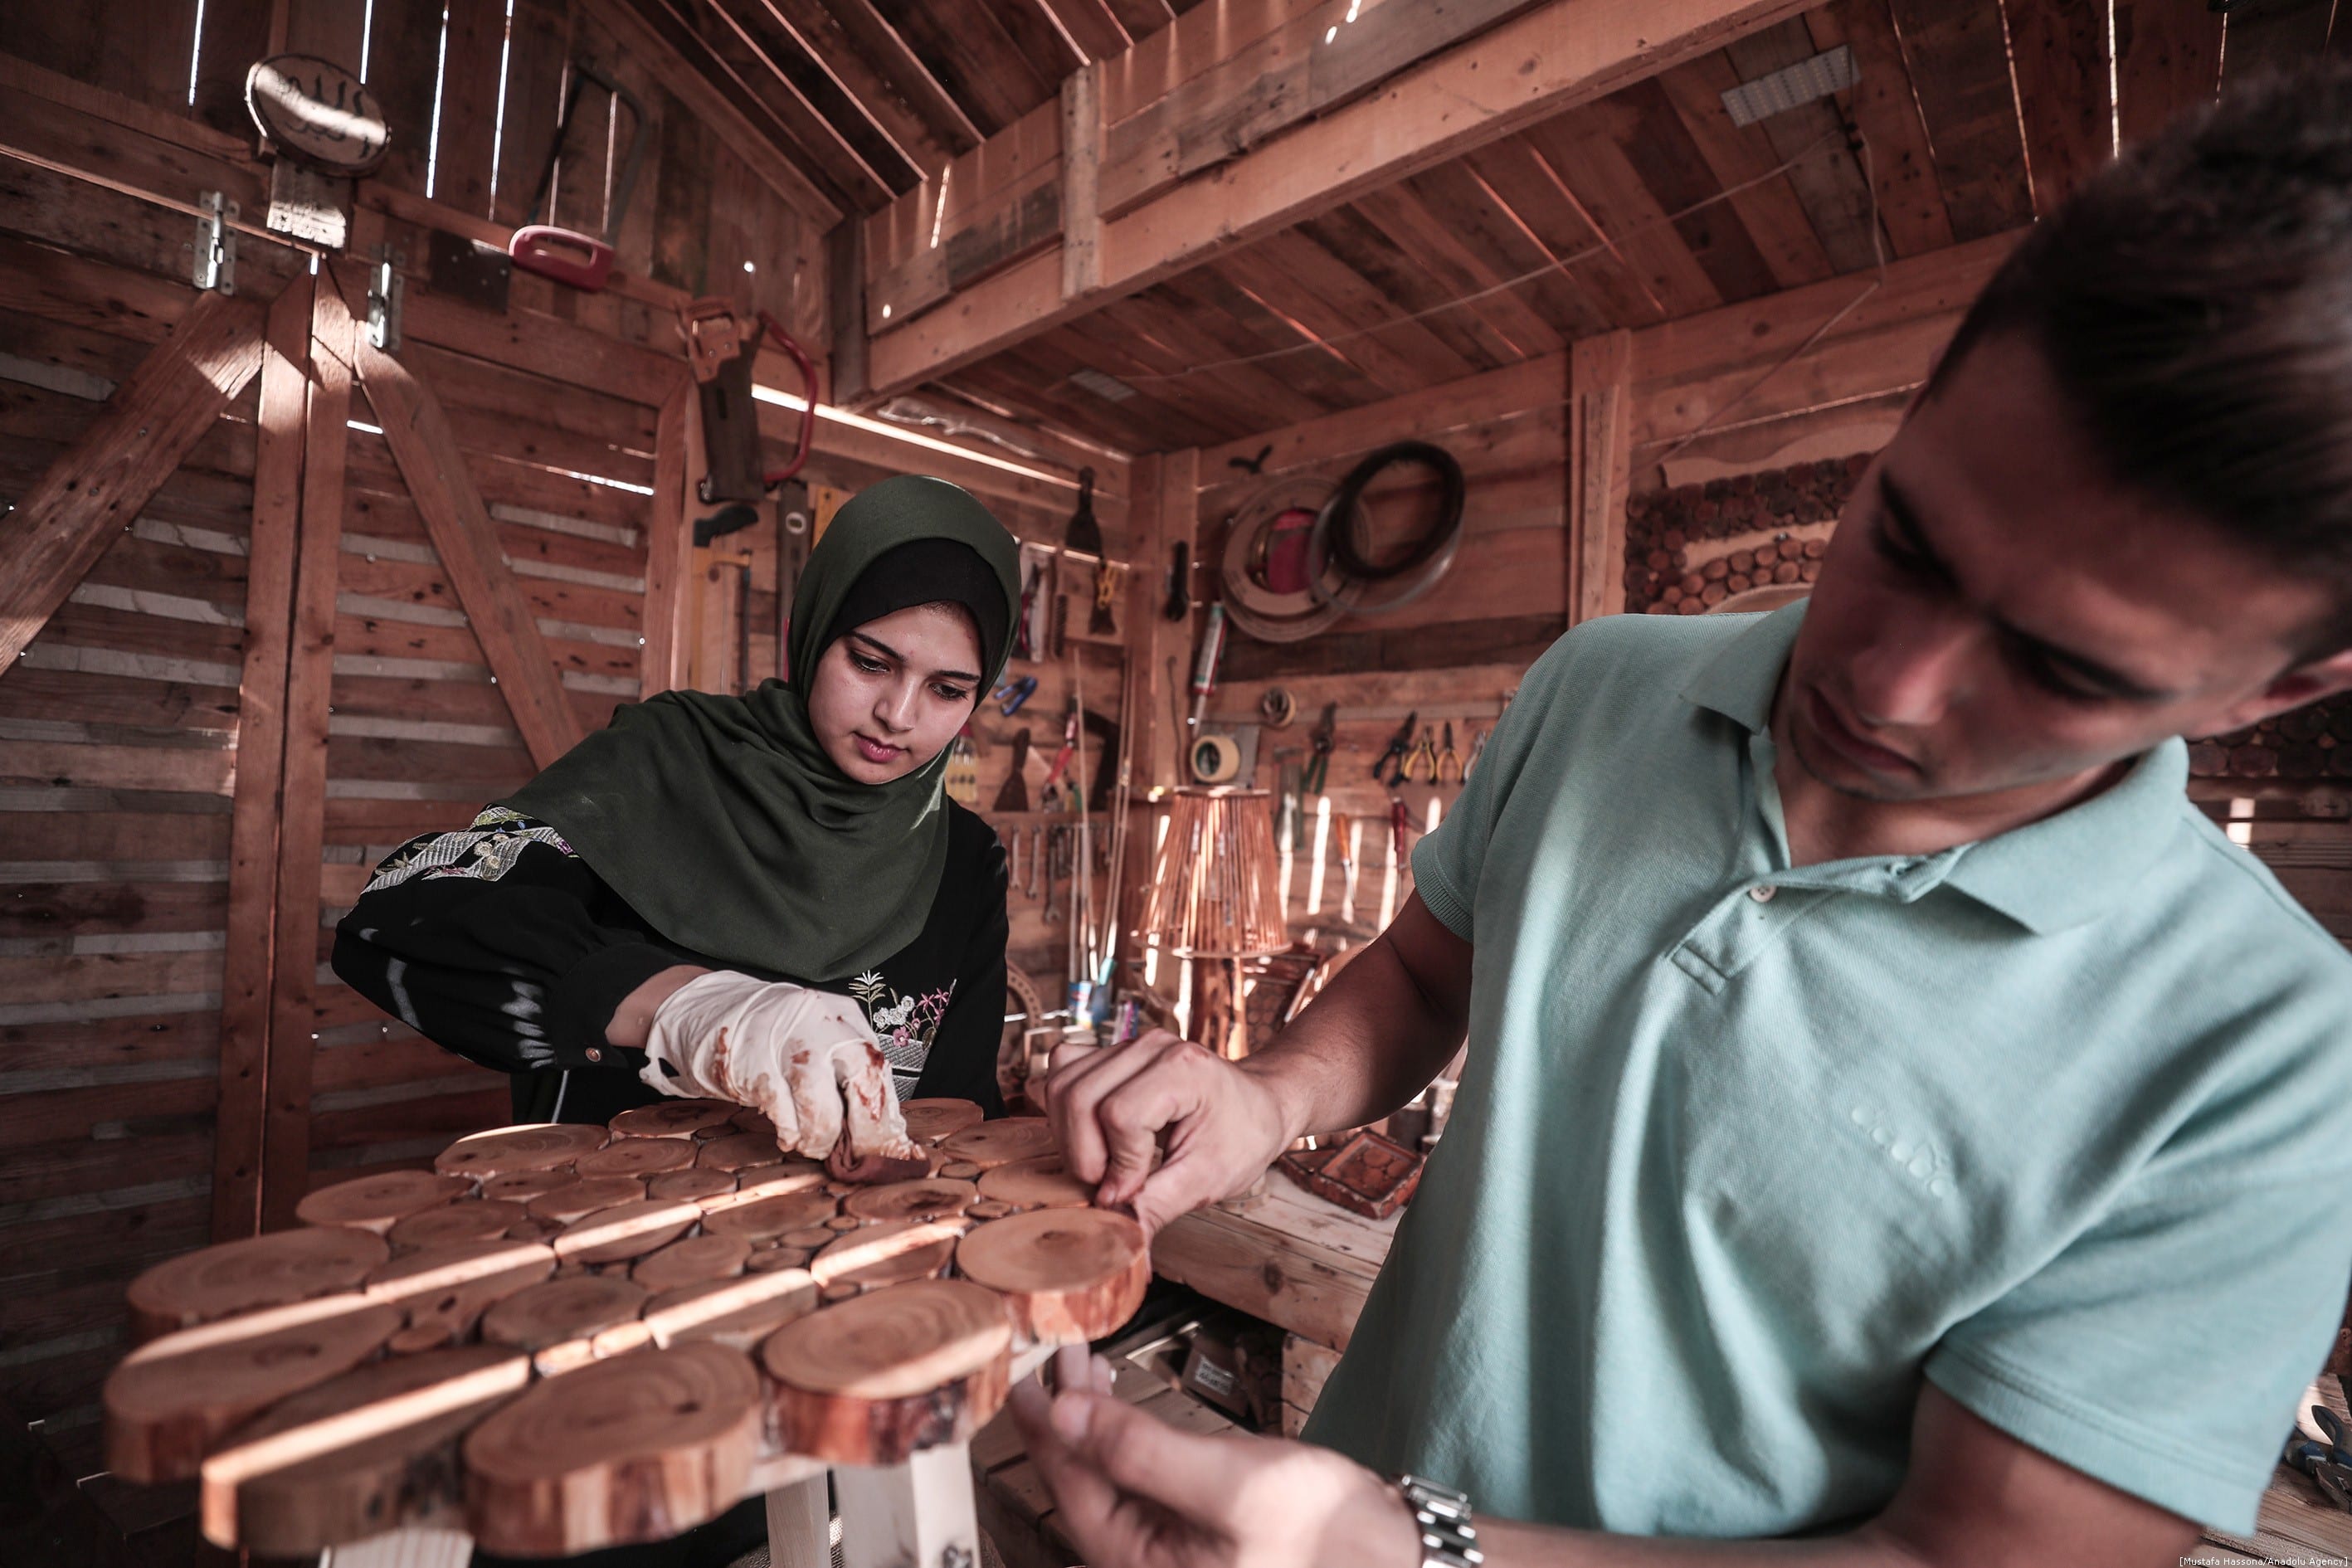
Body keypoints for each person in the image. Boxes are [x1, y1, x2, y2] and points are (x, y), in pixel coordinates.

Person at [1021, 65, 2352, 1568]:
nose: (1886, 684)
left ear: (2275, 687)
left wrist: (1403, 1552)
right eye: (1904, 538)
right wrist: (1269, 1098)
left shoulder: (2264, 1061)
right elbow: (1426, 972)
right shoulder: (1601, 684)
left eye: (2060, 668)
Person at [334, 473, 1022, 1171]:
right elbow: (404, 913)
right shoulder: (662, 760)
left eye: (947, 690)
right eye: (871, 663)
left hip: (843, 1232)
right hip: (606, 1216)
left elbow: (957, 1111)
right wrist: (685, 1007)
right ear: (811, 636)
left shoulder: (963, 859)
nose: (897, 715)